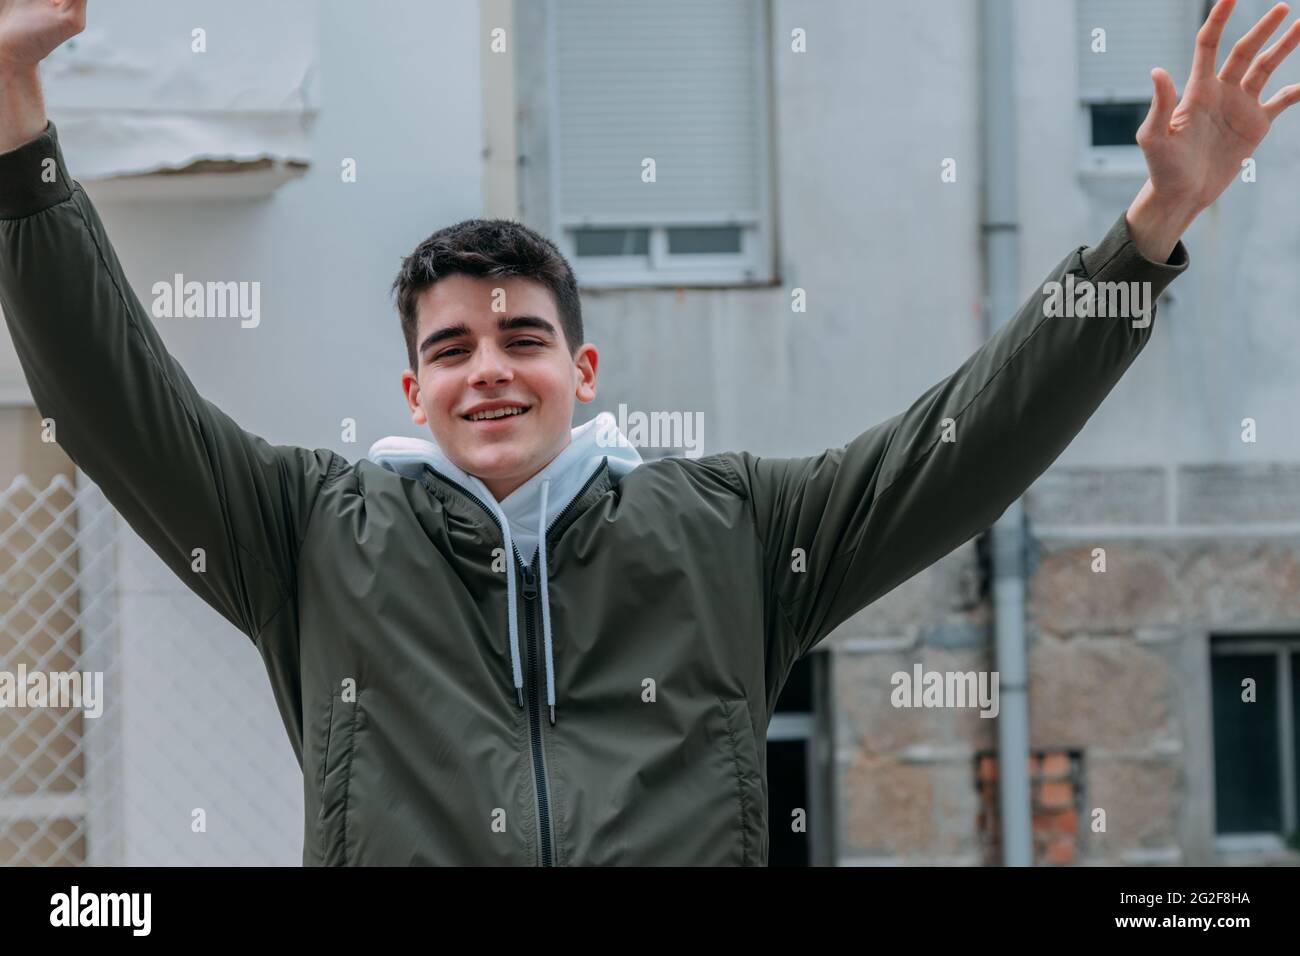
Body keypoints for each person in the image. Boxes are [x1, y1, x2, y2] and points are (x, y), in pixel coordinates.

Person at [0, 0, 1296, 865]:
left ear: (583, 369)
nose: (488, 372)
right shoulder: (308, 537)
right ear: (412, 394)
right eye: (450, 350)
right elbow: (117, 399)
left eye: (521, 341)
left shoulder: (732, 529)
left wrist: (1144, 239)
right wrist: (12, 102)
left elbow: (968, 442)